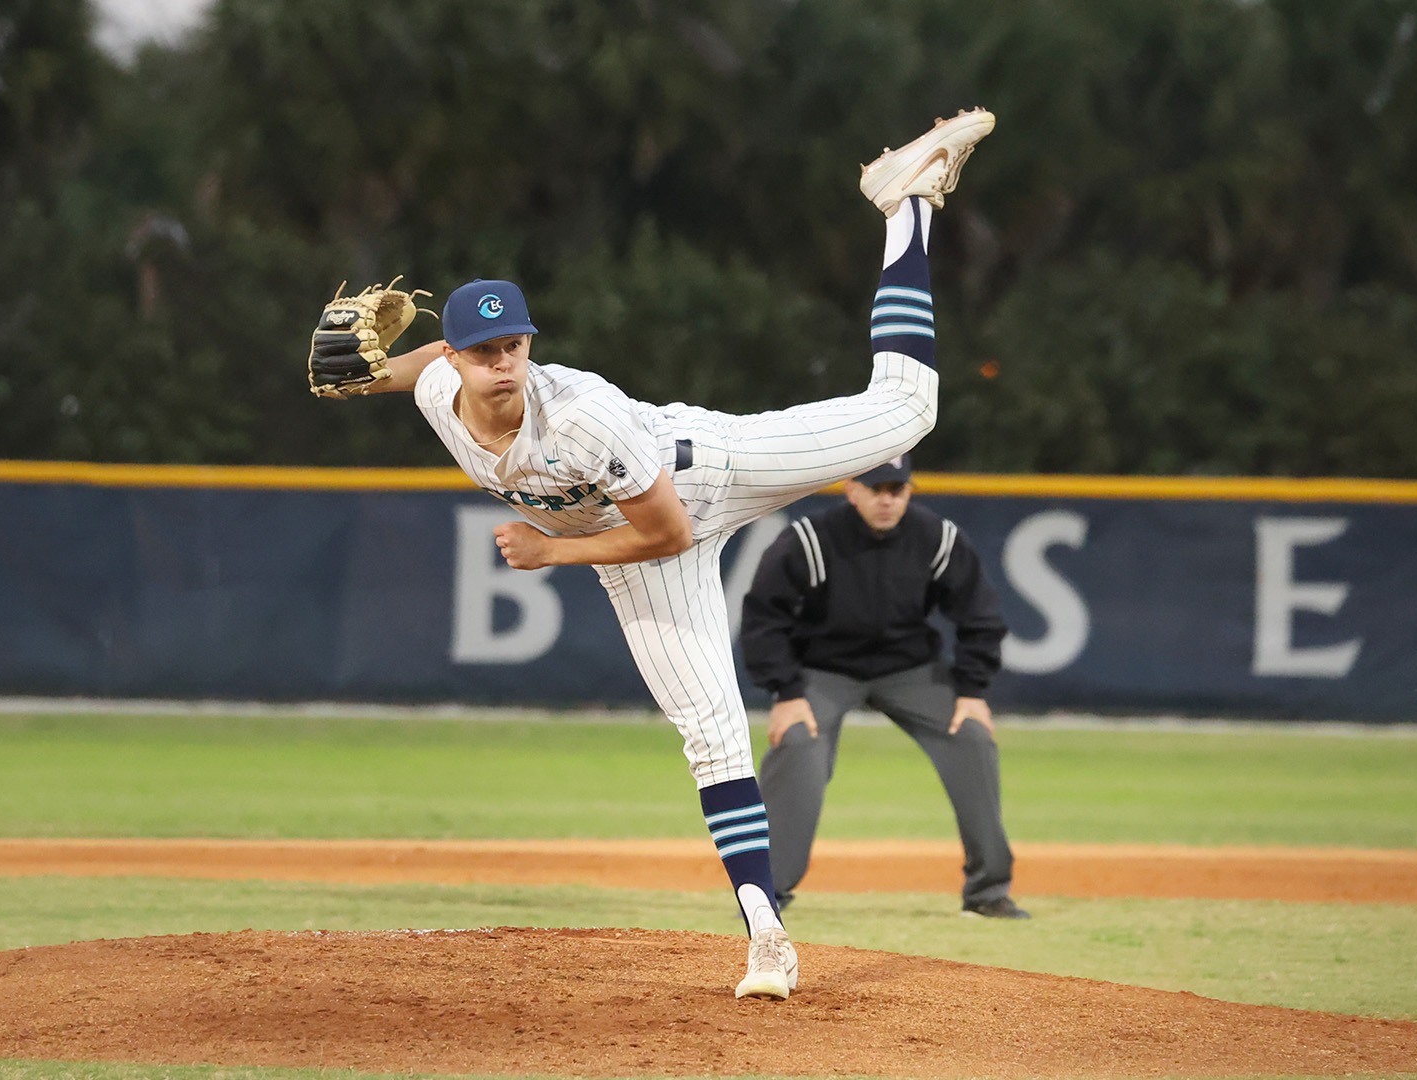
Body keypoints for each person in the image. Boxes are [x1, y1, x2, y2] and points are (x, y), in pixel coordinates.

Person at [307, 110, 997, 998]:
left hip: (698, 474)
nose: (503, 366)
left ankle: (904, 204)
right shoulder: (442, 387)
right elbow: (426, 361)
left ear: (530, 343)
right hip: (630, 546)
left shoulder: (582, 416)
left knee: (909, 413)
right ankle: (768, 939)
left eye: (515, 346)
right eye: (485, 352)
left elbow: (670, 527)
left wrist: (555, 557)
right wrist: (364, 374)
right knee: (710, 734)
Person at [739, 453, 1029, 919]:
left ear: (910, 491)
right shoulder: (810, 539)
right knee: (797, 740)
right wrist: (787, 694)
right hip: (824, 669)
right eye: (876, 489)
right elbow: (762, 619)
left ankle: (989, 893)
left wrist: (973, 691)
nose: (887, 499)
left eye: (897, 489)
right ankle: (766, 897)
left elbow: (980, 615)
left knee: (972, 736)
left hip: (910, 668)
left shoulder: (937, 537)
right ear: (850, 488)